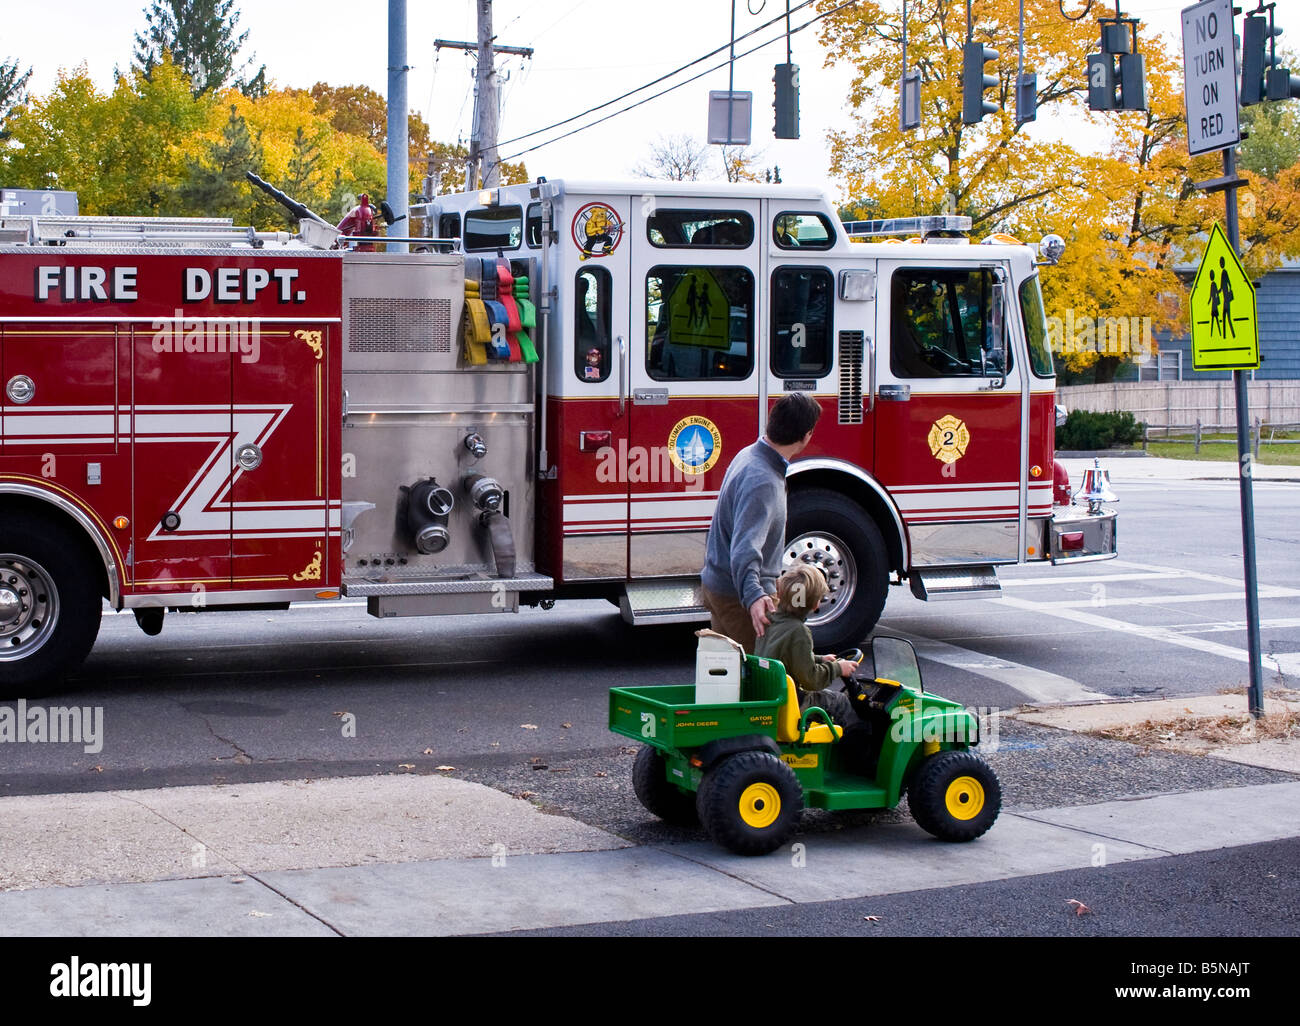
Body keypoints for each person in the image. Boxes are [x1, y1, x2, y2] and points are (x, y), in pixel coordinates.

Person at [700, 390, 822, 653]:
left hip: (721, 585)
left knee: (730, 676)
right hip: (737, 596)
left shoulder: (750, 455)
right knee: (765, 678)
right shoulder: (763, 480)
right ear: (806, 436)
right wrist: (755, 596)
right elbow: (745, 547)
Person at [755, 565, 857, 726]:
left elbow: (786, 655)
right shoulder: (799, 631)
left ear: (780, 593)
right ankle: (856, 749)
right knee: (839, 701)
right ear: (816, 604)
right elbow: (811, 680)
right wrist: (838, 668)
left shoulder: (770, 620)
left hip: (769, 694)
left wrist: (821, 659)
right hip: (790, 701)